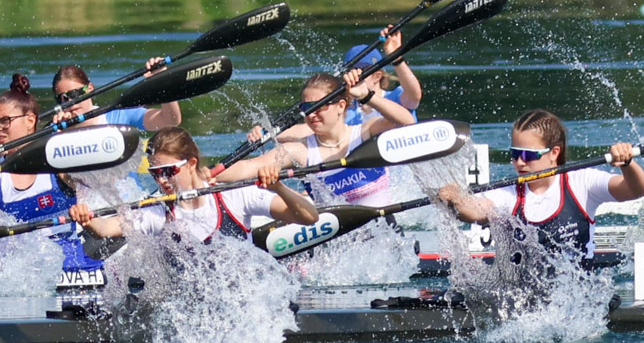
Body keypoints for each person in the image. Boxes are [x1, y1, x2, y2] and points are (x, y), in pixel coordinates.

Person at [435, 109, 644, 265]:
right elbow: (474, 211)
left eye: (528, 155)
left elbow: (636, 189)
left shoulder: (582, 182)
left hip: (578, 300)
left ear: (554, 153)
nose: (519, 163)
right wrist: (455, 199)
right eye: (515, 154)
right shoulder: (508, 194)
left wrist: (628, 164)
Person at [69, 126, 319, 245]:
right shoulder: (159, 212)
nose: (162, 181)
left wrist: (278, 188)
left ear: (191, 163)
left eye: (168, 172)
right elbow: (105, 228)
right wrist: (87, 219)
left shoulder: (234, 195)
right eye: (156, 174)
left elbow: (310, 217)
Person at [0, 74, 105, 277]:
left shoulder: (59, 166)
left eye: (5, 121)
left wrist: (73, 131)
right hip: (21, 270)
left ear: (30, 120)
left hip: (69, 264)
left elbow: (99, 170)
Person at [225, 69, 414, 209]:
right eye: (307, 108)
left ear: (341, 106)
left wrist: (367, 95)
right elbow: (248, 167)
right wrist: (204, 176)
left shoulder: (366, 132)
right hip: (338, 248)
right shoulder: (300, 151)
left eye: (320, 106)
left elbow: (407, 122)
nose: (312, 114)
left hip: (388, 238)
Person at [254, 27, 420, 143]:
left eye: (360, 71)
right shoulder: (345, 108)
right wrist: (268, 133)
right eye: (350, 71)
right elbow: (307, 130)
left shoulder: (396, 97)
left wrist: (396, 58)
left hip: (406, 179)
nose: (354, 76)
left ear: (377, 76)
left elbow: (415, 96)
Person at [50, 61, 181, 131]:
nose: (69, 102)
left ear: (90, 89)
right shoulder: (56, 129)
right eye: (61, 98)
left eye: (74, 94)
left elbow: (170, 121)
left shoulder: (120, 115)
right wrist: (61, 133)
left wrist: (164, 82)